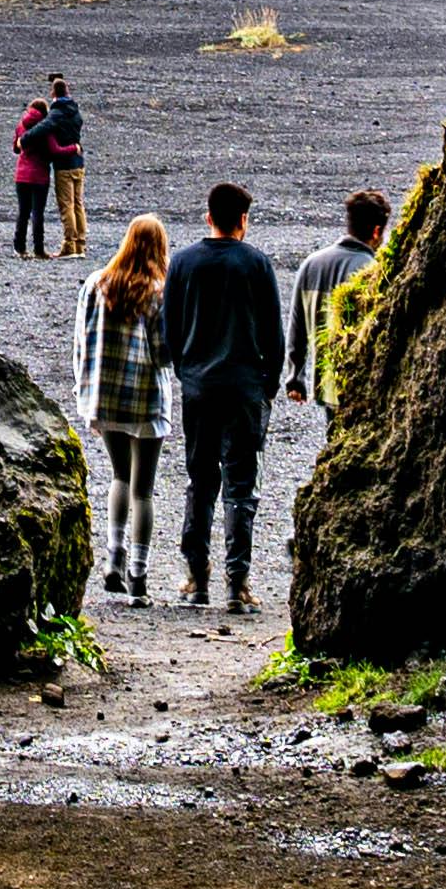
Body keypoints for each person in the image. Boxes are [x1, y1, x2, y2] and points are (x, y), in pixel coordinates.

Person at [157, 176, 284, 616]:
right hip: (245, 387)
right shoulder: (256, 264)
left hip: (199, 388)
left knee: (202, 481)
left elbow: (169, 329)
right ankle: (238, 582)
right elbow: (274, 332)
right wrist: (267, 384)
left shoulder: (184, 263)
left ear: (209, 216)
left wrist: (186, 372)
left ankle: (197, 578)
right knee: (241, 486)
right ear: (242, 221)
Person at [75, 214, 170, 599]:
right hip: (145, 399)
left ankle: (113, 558)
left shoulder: (96, 284)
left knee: (119, 476)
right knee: (143, 490)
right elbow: (163, 355)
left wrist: (84, 391)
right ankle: (139, 577)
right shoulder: (158, 292)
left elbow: (81, 340)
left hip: (105, 397)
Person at [287, 184, 390, 408]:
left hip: (326, 387)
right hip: (362, 391)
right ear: (376, 231)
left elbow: (297, 328)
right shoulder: (372, 271)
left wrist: (295, 378)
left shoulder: (311, 264)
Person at [10, 88, 55, 257]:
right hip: (39, 176)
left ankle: (19, 247)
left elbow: (15, 148)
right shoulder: (45, 127)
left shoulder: (21, 124)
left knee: (23, 212)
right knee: (38, 213)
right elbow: (52, 149)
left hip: (21, 174)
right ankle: (38, 249)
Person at [47, 74, 88, 255]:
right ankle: (80, 244)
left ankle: (69, 244)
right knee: (78, 204)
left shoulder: (56, 113)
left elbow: (44, 128)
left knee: (67, 205)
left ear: (53, 93)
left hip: (64, 165)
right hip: (78, 163)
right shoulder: (75, 112)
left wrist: (24, 139)